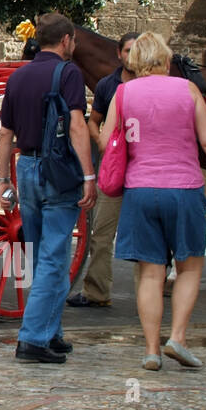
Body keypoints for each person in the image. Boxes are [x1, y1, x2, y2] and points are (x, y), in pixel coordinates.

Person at [103, 32, 206, 370]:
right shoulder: (187, 90)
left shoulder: (122, 93)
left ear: (134, 62)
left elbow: (107, 140)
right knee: (189, 266)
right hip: (184, 189)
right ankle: (177, 337)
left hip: (139, 191)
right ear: (165, 61)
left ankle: (151, 350)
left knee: (150, 272)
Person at [0, 13, 97, 364]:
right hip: (57, 171)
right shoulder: (68, 73)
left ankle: (51, 333)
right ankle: (33, 339)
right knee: (55, 257)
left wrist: (3, 179)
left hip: (25, 168)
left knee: (41, 256)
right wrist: (88, 174)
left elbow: (5, 133)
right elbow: (76, 125)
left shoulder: (19, 75)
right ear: (67, 40)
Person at [68, 31, 138, 308]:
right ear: (118, 54)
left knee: (151, 233)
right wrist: (104, 143)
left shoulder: (154, 83)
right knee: (101, 232)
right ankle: (97, 291)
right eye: (127, 51)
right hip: (115, 169)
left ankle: (156, 284)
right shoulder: (108, 85)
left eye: (137, 50)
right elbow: (93, 121)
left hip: (145, 170)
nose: (131, 56)